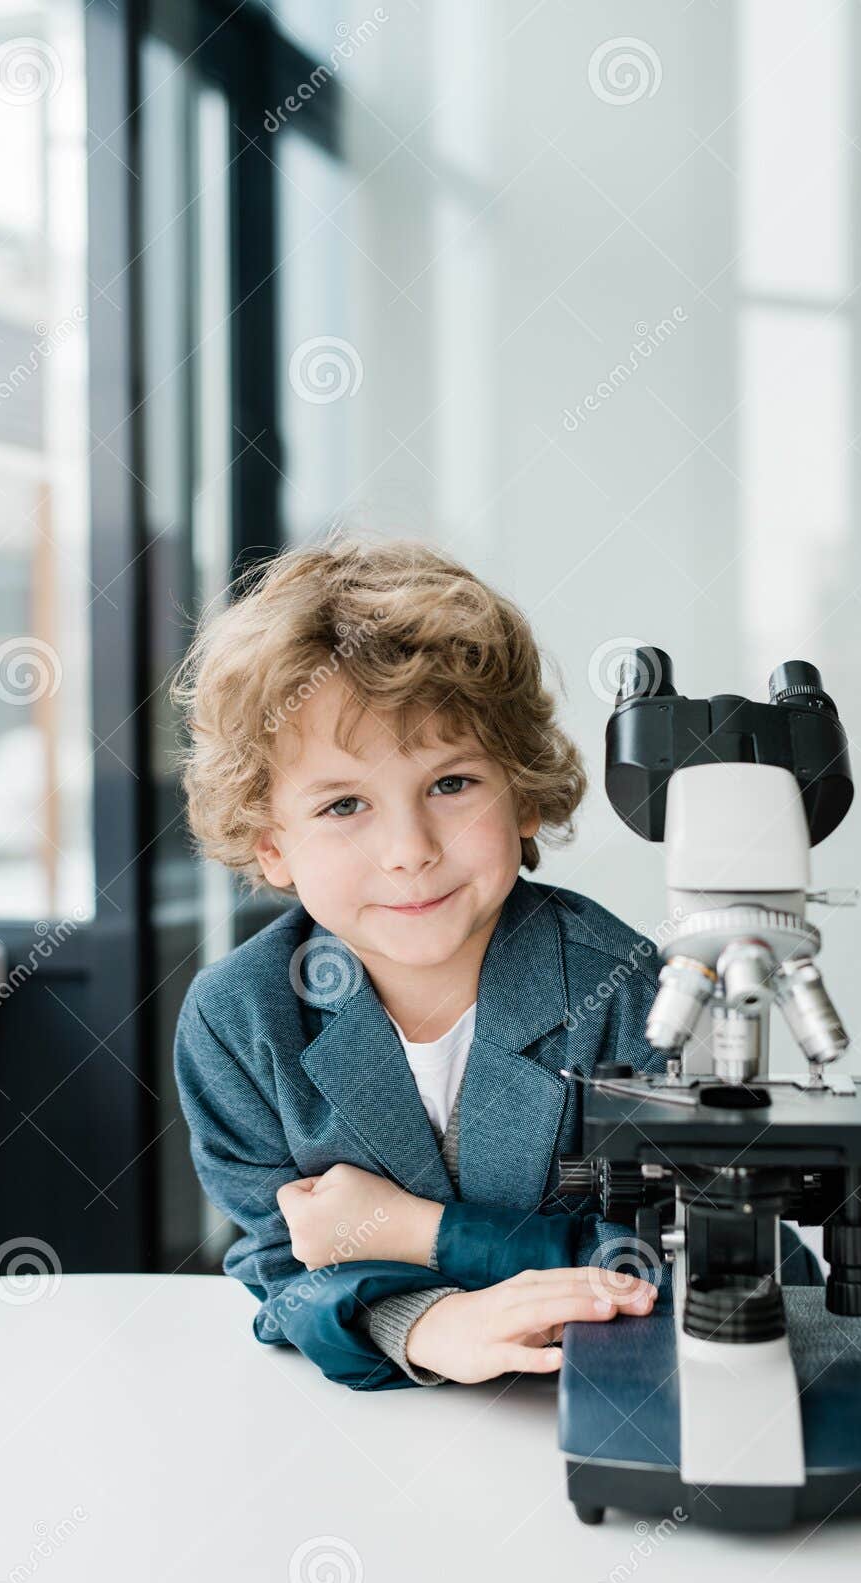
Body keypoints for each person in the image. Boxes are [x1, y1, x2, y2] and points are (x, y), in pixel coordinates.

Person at [171, 534, 821, 1391]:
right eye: (342, 804)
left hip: (608, 1406)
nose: (409, 850)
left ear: (521, 792)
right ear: (270, 843)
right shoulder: (238, 1020)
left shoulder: (634, 993)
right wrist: (423, 1322)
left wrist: (423, 1235)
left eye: (451, 784)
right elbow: (274, 1267)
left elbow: (750, 1268)